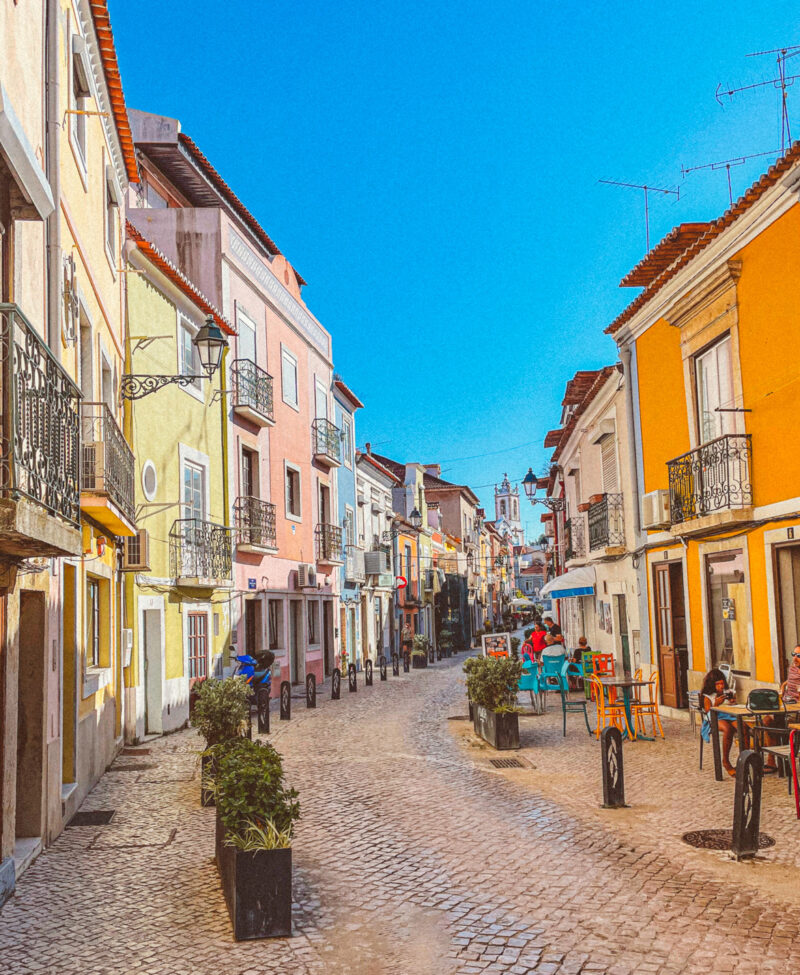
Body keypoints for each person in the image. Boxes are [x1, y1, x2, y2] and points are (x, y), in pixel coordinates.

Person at [700, 668, 739, 777]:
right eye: (718, 684)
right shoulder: (707, 697)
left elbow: (733, 706)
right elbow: (709, 713)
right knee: (728, 729)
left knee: (742, 727)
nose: (721, 686)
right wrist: (716, 704)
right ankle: (726, 762)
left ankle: (742, 760)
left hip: (729, 715)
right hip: (714, 717)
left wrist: (732, 701)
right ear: (712, 685)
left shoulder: (726, 692)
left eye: (722, 683)